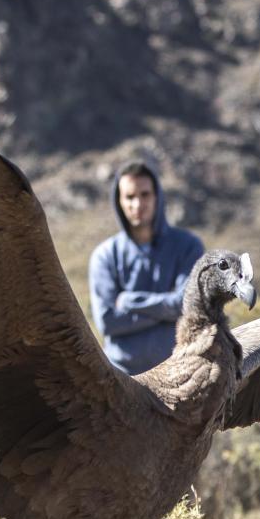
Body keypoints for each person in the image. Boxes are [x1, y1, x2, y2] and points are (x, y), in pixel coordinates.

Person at [87, 160, 204, 375]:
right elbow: (107, 321)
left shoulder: (188, 246)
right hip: (121, 378)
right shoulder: (105, 256)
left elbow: (185, 305)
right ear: (119, 201)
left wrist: (129, 301)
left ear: (157, 196)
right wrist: (166, 309)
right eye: (130, 197)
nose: (138, 204)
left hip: (180, 373)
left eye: (145, 194)